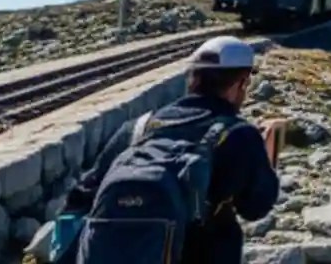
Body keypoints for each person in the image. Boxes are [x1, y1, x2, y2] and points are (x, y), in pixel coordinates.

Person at [60, 35, 281, 264]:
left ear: (192, 79)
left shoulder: (137, 129)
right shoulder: (239, 135)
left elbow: (81, 197)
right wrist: (266, 156)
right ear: (240, 83)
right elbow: (256, 208)